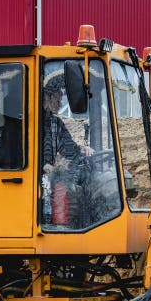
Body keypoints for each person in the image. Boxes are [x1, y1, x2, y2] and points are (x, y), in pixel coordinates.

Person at [40, 78, 93, 228]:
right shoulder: (31, 120)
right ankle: (53, 222)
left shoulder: (55, 123)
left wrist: (82, 150)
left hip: (46, 175)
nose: (61, 104)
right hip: (35, 178)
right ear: (48, 97)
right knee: (59, 187)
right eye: (58, 99)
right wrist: (43, 164)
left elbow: (69, 149)